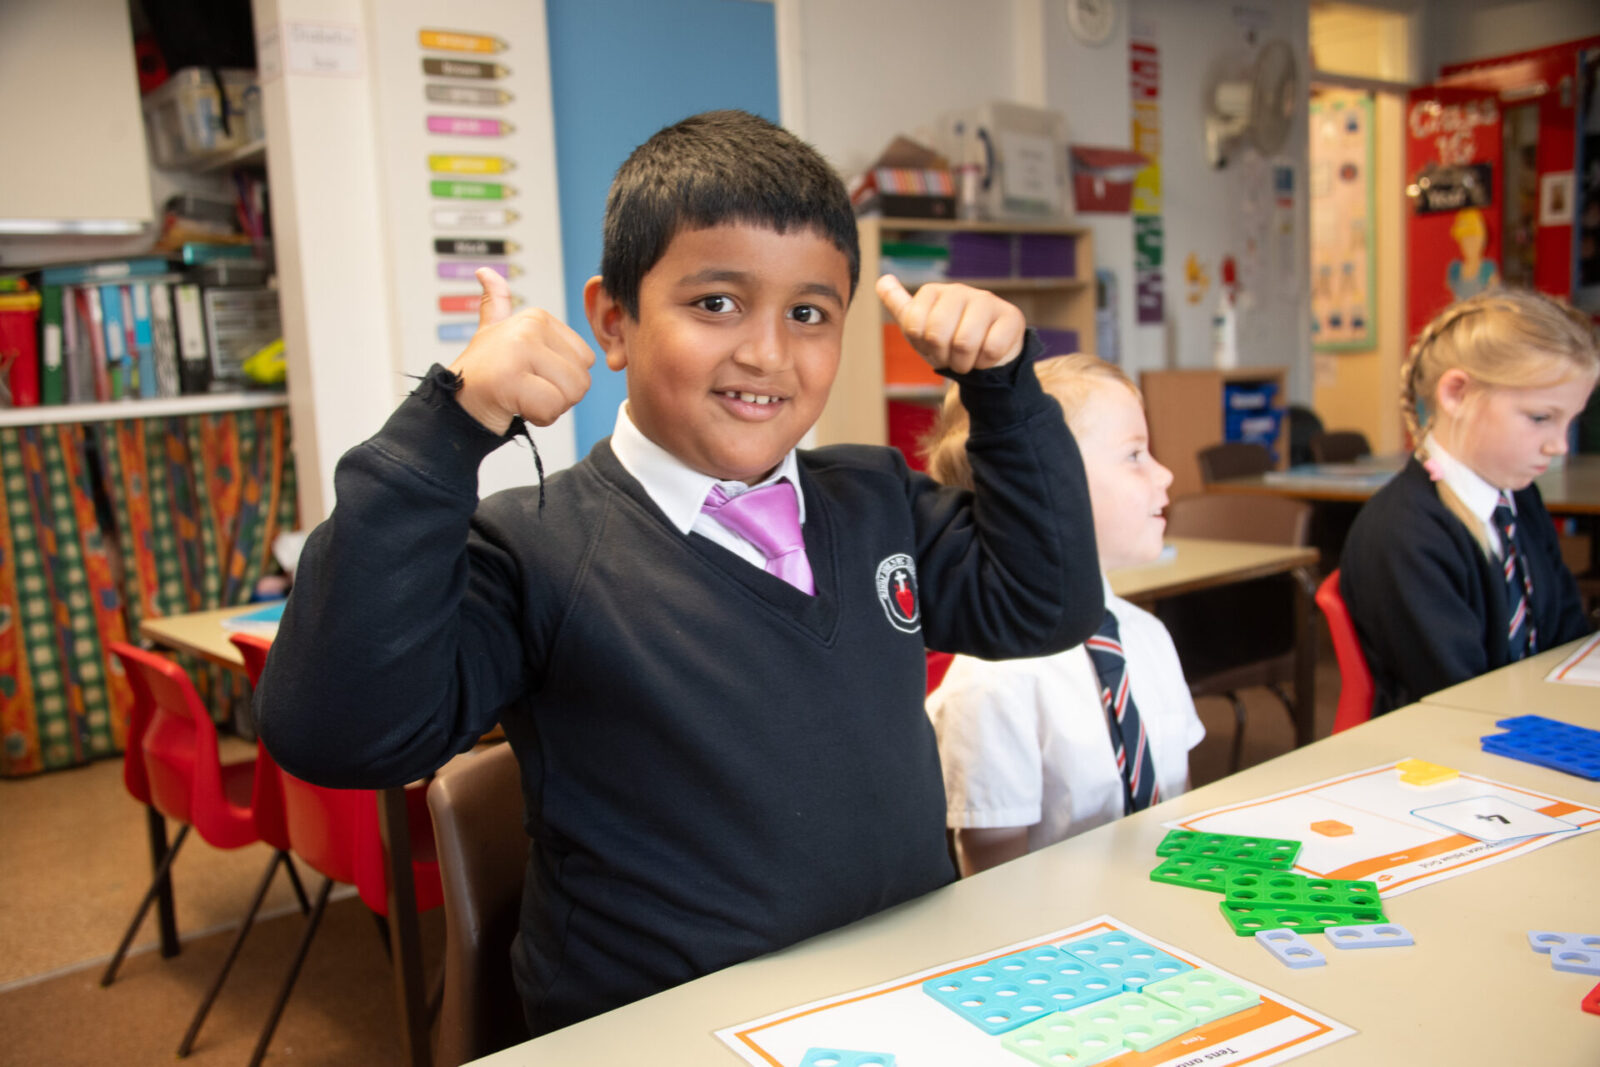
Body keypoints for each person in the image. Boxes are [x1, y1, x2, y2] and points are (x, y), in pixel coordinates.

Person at [253, 110, 1102, 1035]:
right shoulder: (532, 544)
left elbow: (1044, 604)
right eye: (716, 304)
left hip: (904, 995)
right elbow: (335, 731)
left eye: (809, 314)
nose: (767, 353)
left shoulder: (872, 495)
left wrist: (1005, 385)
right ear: (614, 320)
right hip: (668, 1031)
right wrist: (450, 425)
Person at [923, 354, 1204, 877]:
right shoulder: (992, 679)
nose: (1165, 473)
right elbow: (993, 878)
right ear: (1045, 491)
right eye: (1135, 455)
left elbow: (1179, 803)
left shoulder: (1148, 635)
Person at [1342, 287, 1598, 715]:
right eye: (1540, 418)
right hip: (1448, 756)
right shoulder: (1404, 534)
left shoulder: (1519, 499)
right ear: (1457, 394)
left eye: (1569, 422)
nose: (1560, 446)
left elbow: (1567, 635)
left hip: (1530, 726)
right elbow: (1462, 701)